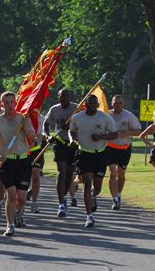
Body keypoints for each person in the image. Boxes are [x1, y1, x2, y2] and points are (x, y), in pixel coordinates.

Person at [0, 92, 35, 236]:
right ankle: (10, 225)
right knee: (11, 195)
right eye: (6, 103)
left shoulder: (23, 119)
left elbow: (32, 139)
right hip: (7, 161)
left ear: (15, 103)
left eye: (11, 102)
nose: (9, 105)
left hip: (23, 160)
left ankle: (19, 210)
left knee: (22, 198)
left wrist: (25, 127)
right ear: (2, 104)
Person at [70, 95, 117, 227]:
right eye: (89, 103)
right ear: (85, 104)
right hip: (84, 153)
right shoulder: (77, 117)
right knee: (87, 182)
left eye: (94, 104)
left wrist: (101, 137)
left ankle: (93, 196)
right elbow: (72, 131)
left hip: (100, 154)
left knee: (97, 187)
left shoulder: (105, 118)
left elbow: (115, 134)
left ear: (97, 105)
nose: (91, 105)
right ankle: (89, 216)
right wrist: (73, 139)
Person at [43, 89, 78, 218]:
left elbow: (82, 123)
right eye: (62, 96)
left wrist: (71, 127)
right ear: (58, 98)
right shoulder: (54, 109)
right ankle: (61, 204)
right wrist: (47, 136)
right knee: (61, 171)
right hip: (60, 142)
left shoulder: (76, 108)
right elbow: (45, 125)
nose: (64, 98)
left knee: (69, 173)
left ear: (70, 97)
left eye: (67, 96)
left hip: (73, 143)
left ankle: (64, 196)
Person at [106, 95, 141, 210]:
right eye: (115, 103)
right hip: (110, 147)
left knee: (121, 174)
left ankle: (119, 194)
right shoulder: (107, 115)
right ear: (112, 103)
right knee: (113, 172)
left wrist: (127, 132)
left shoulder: (129, 116)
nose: (118, 105)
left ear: (123, 104)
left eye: (120, 103)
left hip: (124, 149)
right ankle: (114, 199)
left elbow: (138, 132)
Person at [28, 109, 45, 213]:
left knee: (36, 176)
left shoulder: (42, 119)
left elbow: (44, 134)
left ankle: (34, 203)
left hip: (36, 151)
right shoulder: (23, 117)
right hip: (23, 151)